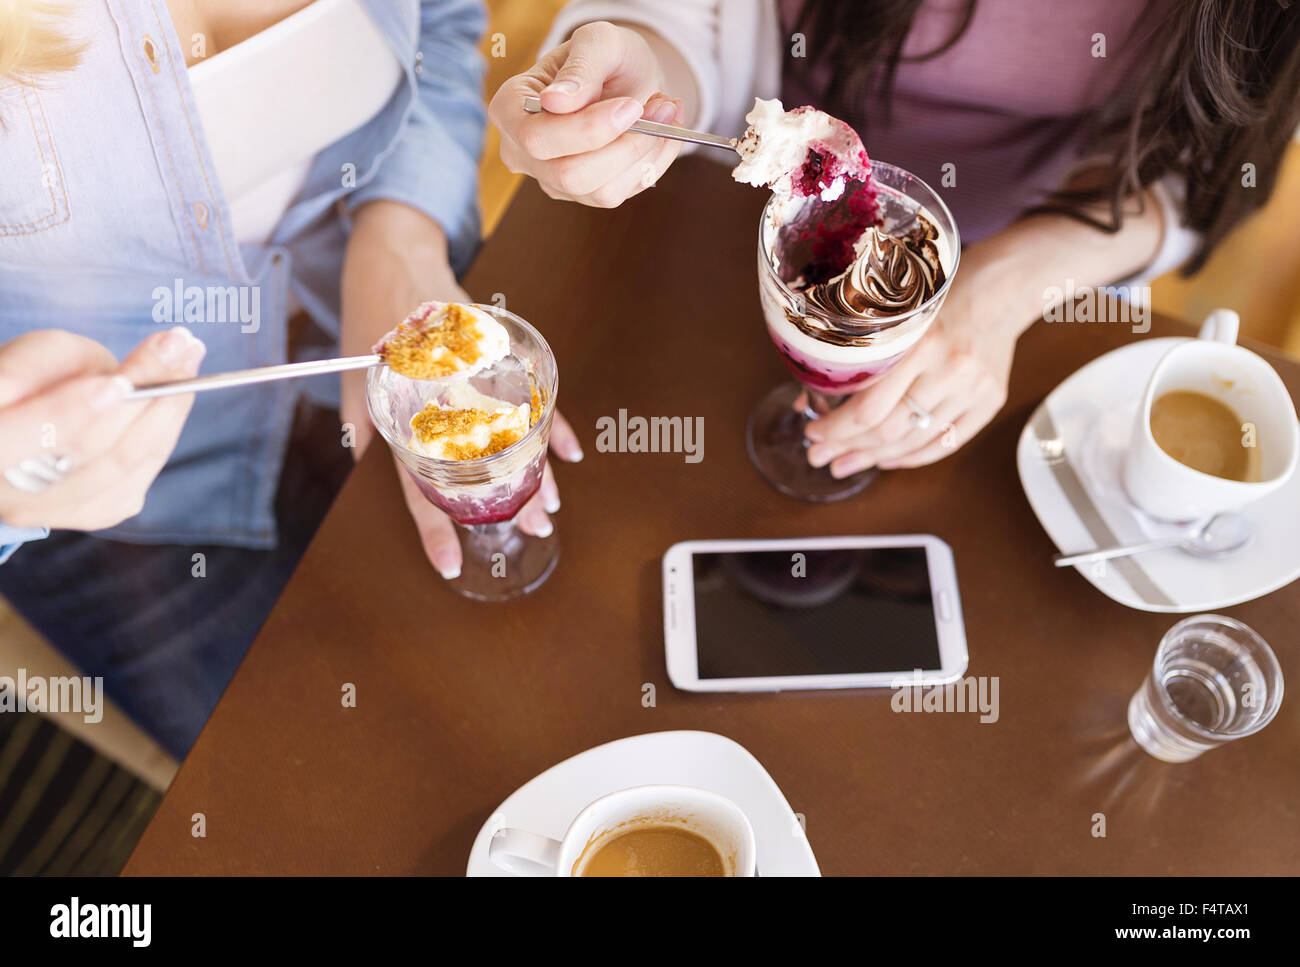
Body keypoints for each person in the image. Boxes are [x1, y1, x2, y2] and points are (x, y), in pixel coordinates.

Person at [0, 0, 578, 759]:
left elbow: (442, 23)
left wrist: (400, 226)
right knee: (365, 768)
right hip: (134, 518)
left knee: (554, 685)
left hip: (385, 367)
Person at [491, 1, 1300, 477]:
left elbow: (1207, 162)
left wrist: (1008, 283)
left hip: (1061, 244)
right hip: (722, 213)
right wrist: (641, 81)